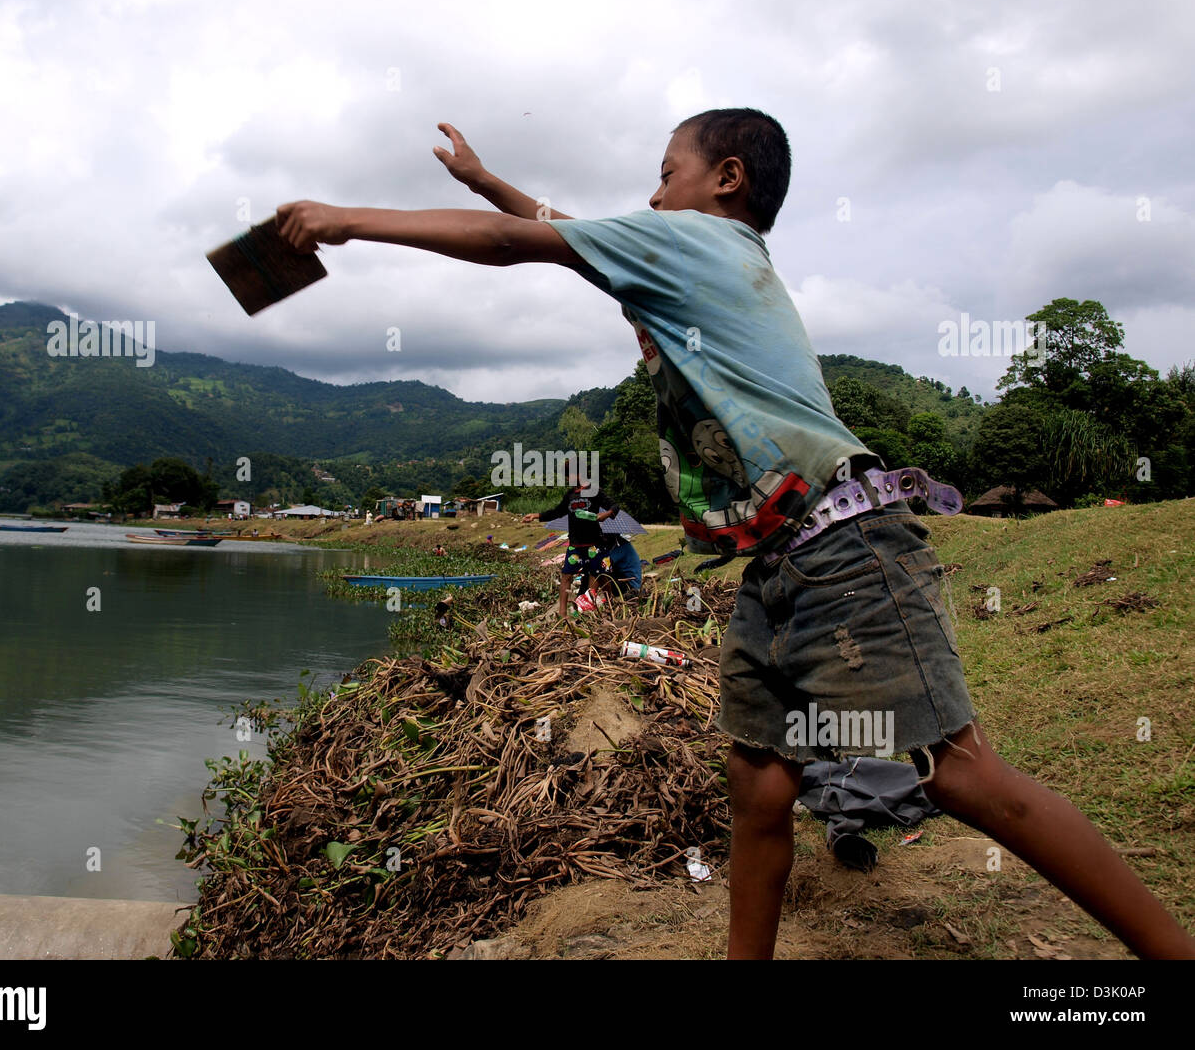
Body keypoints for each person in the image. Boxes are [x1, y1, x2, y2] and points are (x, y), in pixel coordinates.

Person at [275, 112, 1195, 960]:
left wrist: (345, 219)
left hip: (851, 548)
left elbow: (526, 244)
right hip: (783, 566)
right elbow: (559, 234)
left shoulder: (698, 241)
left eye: (663, 173)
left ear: (725, 178)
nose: (650, 195)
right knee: (758, 780)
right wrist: (487, 180)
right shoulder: (699, 256)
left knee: (957, 772)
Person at [519, 458, 618, 617]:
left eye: (569, 475)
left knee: (602, 576)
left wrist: (605, 515)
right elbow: (556, 512)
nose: (568, 479)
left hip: (595, 544)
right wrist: (536, 515)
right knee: (566, 576)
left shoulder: (594, 490)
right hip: (576, 545)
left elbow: (615, 506)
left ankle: (611, 607)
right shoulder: (570, 495)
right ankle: (562, 614)